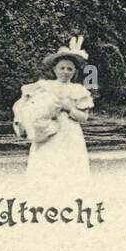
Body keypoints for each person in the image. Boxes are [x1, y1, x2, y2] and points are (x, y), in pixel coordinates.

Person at [13, 36, 93, 181]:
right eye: (62, 68)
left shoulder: (78, 89)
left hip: (70, 132)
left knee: (70, 165)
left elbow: (84, 117)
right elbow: (29, 105)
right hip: (49, 130)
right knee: (47, 163)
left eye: (69, 69)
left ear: (75, 71)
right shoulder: (45, 86)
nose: (65, 72)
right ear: (55, 70)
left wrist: (69, 109)